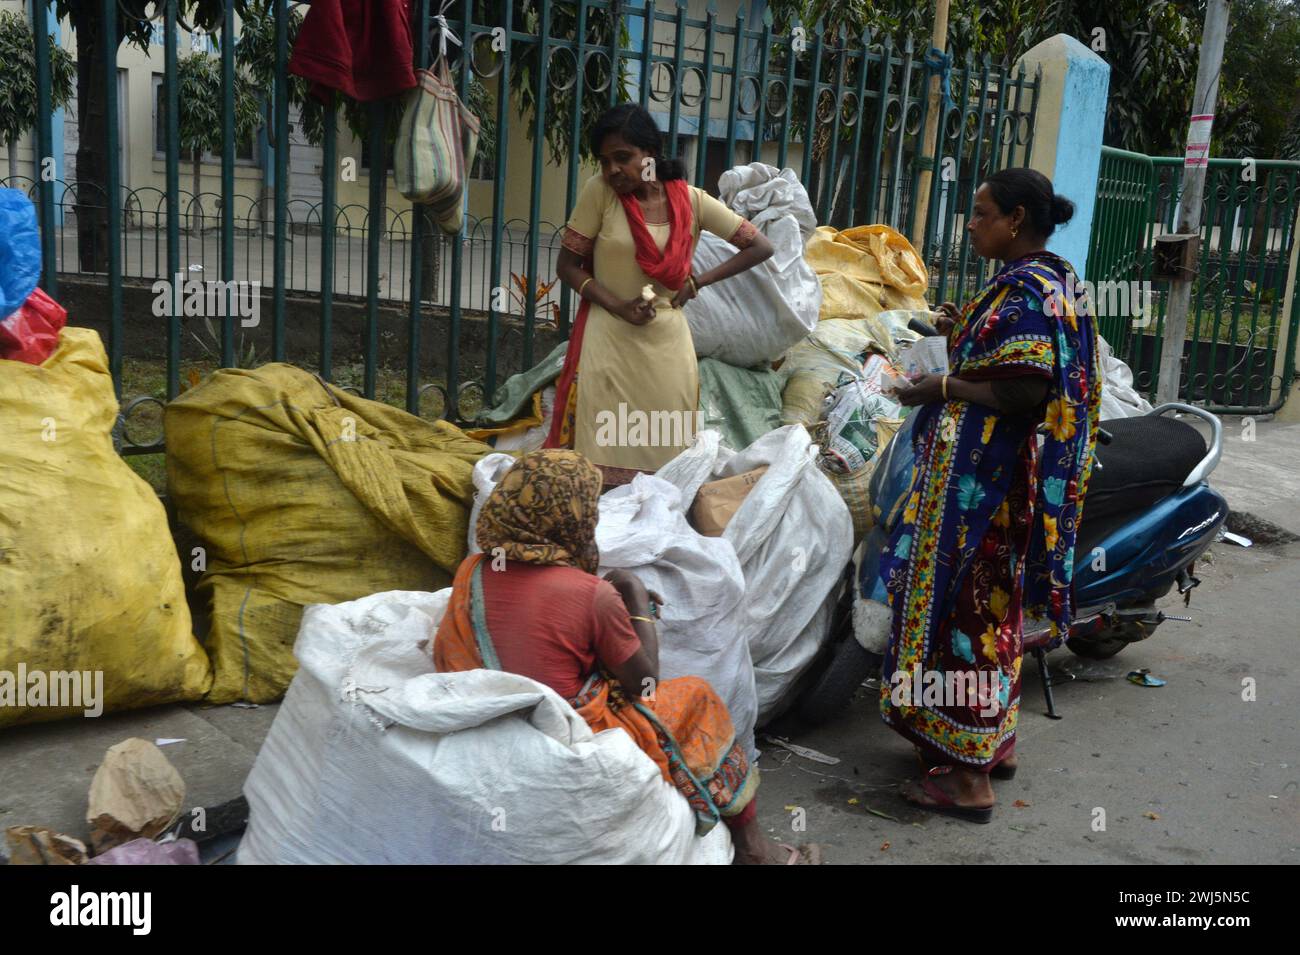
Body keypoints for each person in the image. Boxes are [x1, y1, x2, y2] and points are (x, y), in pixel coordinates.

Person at [433, 449, 817, 864]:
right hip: (573, 729)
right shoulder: (591, 595)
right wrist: (635, 600)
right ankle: (753, 850)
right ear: (572, 516)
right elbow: (644, 683)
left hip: (501, 715)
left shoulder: (474, 570)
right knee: (698, 696)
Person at [881, 167, 1101, 823]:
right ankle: (992, 745)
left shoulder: (1028, 292)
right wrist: (963, 331)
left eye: (981, 214)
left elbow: (1025, 389)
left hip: (982, 490)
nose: (971, 225)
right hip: (997, 481)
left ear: (1015, 219)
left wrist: (943, 386)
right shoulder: (1047, 279)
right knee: (992, 615)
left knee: (967, 617)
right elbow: (1007, 363)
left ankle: (968, 781)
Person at [549, 104, 774, 487]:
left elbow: (760, 247)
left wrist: (697, 282)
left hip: (667, 345)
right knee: (600, 453)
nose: (612, 170)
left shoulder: (692, 201)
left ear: (650, 154)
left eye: (622, 157)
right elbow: (567, 266)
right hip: (609, 337)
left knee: (665, 455)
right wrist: (620, 306)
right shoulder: (599, 192)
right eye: (605, 161)